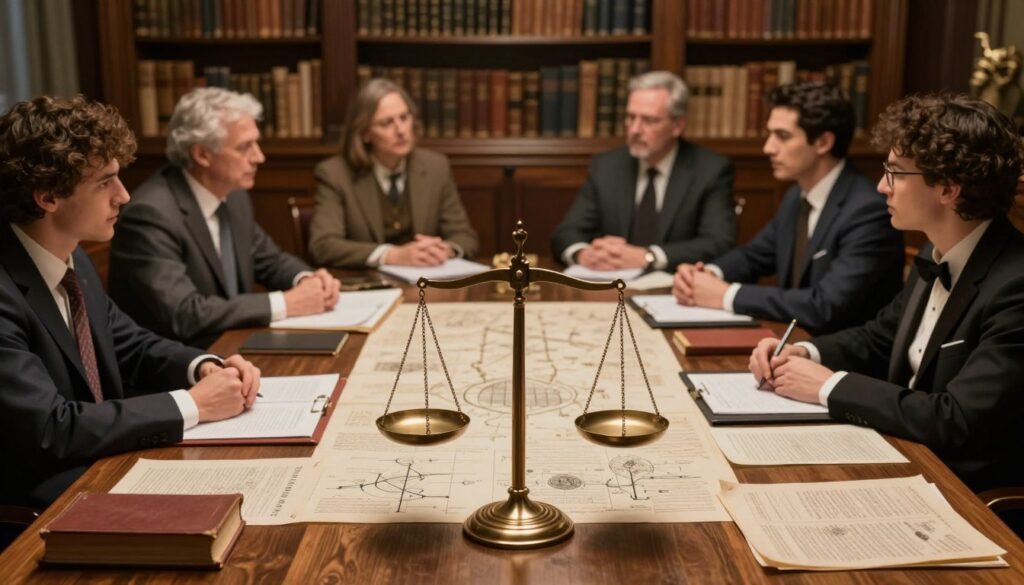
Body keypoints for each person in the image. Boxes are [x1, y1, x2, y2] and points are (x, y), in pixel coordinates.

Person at [750, 94, 1024, 493]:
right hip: (898, 452)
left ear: (948, 188)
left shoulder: (1015, 285)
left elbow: (957, 419)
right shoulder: (938, 251)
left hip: (959, 490)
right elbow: (879, 337)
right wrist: (804, 353)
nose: (881, 186)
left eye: (895, 172)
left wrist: (827, 386)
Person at [0, 95, 260, 510]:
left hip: (103, 467)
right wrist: (192, 405)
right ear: (47, 195)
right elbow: (52, 428)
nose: (123, 195)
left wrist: (205, 367)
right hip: (39, 509)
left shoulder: (73, 258)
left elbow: (132, 345)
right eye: (105, 182)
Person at [109, 88, 340, 348]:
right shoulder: (150, 214)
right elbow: (185, 313)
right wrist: (286, 303)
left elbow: (271, 260)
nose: (259, 157)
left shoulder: (233, 196)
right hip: (180, 364)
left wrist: (308, 281)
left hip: (233, 345)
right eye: (244, 147)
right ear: (202, 154)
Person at [672, 82, 904, 334]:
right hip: (791, 343)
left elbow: (825, 306)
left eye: (782, 136)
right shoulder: (796, 196)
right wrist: (706, 274)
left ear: (823, 142)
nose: (768, 148)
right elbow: (754, 256)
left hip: (838, 359)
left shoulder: (868, 210)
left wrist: (728, 294)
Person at [551, 70, 735, 271]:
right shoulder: (606, 166)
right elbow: (566, 232)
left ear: (678, 125)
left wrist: (649, 256)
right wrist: (583, 253)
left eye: (649, 121)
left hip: (673, 290)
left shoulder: (710, 170)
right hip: (611, 286)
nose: (635, 130)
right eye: (631, 117)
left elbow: (718, 242)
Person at [308, 78, 479, 268]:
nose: (401, 130)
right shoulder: (335, 174)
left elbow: (465, 236)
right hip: (369, 287)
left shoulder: (435, 167)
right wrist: (391, 255)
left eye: (404, 118)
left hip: (426, 285)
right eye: (386, 123)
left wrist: (445, 249)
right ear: (365, 133)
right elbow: (323, 245)